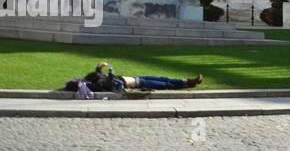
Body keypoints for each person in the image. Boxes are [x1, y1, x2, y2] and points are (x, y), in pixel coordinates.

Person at [72, 62, 202, 93]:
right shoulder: (103, 83)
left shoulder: (102, 78)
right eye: (99, 75)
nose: (101, 74)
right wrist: (110, 72)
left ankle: (188, 81)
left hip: (138, 78)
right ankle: (188, 84)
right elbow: (110, 82)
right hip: (139, 84)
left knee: (164, 79)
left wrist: (101, 67)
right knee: (165, 84)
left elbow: (99, 72)